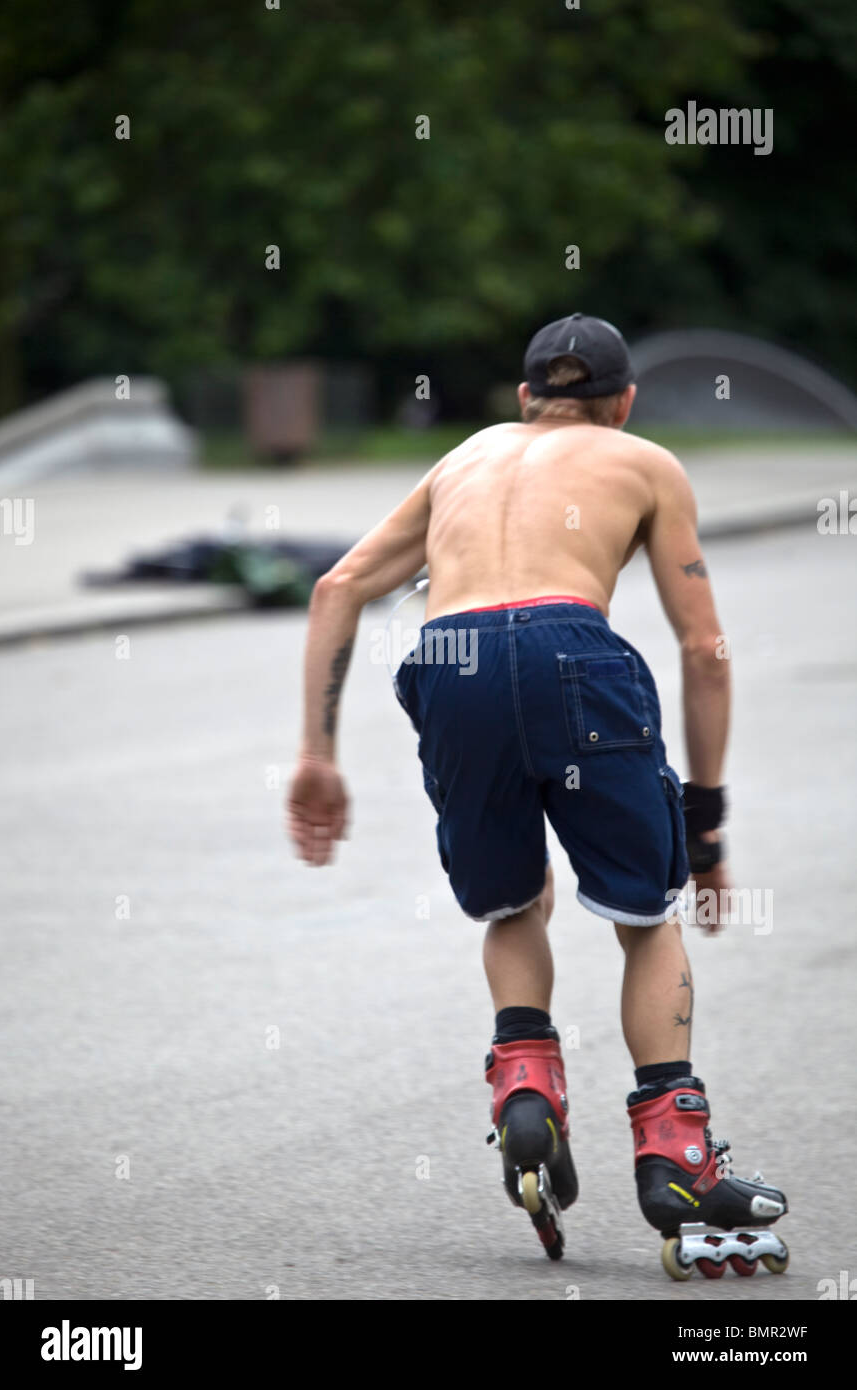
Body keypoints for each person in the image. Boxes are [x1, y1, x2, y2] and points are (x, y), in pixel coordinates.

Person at [286, 313, 788, 1275]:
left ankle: (526, 1088)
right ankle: (677, 1158)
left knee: (515, 899)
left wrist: (316, 752)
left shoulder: (467, 456)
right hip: (571, 649)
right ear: (623, 403)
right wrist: (709, 820)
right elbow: (703, 647)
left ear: (523, 400)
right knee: (646, 917)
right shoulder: (643, 462)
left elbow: (337, 589)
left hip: (453, 660)